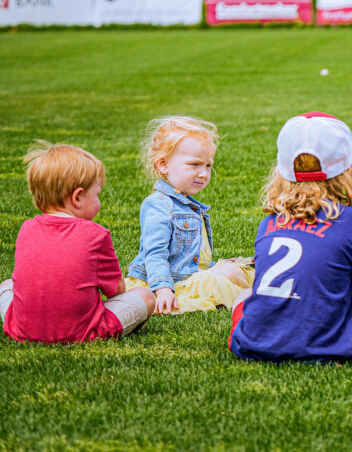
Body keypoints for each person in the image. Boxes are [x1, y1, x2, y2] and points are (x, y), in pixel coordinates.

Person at [228, 112, 352, 362]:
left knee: (244, 296)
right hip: (332, 345)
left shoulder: (268, 223)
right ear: (348, 170)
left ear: (281, 172)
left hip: (255, 342)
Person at [2, 142, 153, 343]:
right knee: (145, 296)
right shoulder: (96, 234)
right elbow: (115, 291)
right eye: (97, 195)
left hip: (22, 329)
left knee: (6, 285)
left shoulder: (26, 228)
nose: (99, 202)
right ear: (78, 197)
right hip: (83, 333)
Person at [126, 116, 252, 314]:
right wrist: (164, 290)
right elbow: (155, 254)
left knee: (241, 270)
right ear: (163, 165)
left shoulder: (188, 205)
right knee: (229, 278)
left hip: (190, 275)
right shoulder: (158, 205)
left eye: (208, 166)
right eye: (194, 165)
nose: (203, 173)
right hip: (171, 282)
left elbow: (189, 257)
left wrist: (214, 266)